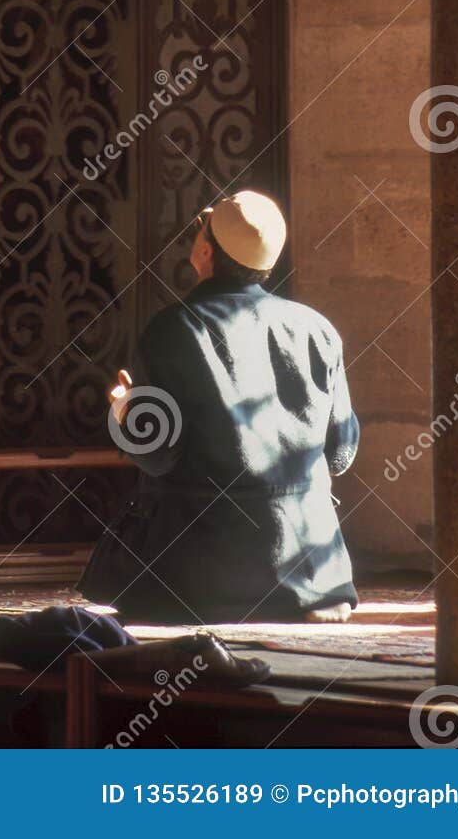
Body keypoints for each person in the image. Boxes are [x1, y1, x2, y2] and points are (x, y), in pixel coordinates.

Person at [79, 190, 359, 625]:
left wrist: (124, 413)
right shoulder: (317, 330)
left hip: (193, 584)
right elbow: (341, 454)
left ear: (206, 249)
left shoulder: (171, 330)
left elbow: (157, 455)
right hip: (311, 582)